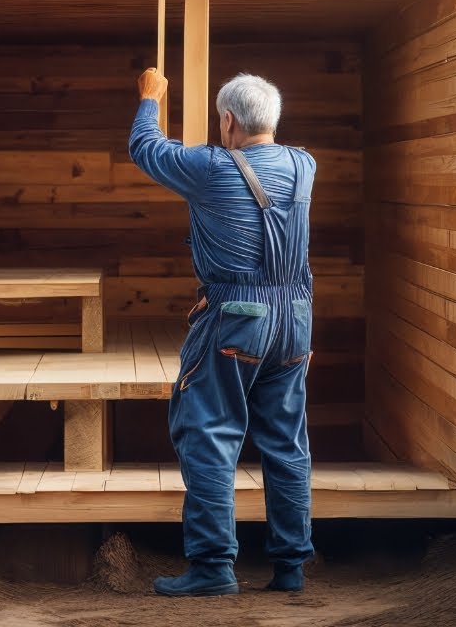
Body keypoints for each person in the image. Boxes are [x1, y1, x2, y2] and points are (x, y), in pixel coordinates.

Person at [129, 68, 316, 597]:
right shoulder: (304, 165)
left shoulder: (210, 168)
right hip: (296, 320)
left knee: (209, 434)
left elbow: (145, 148)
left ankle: (212, 568)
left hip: (238, 316)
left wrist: (150, 99)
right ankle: (290, 568)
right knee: (285, 441)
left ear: (227, 120)